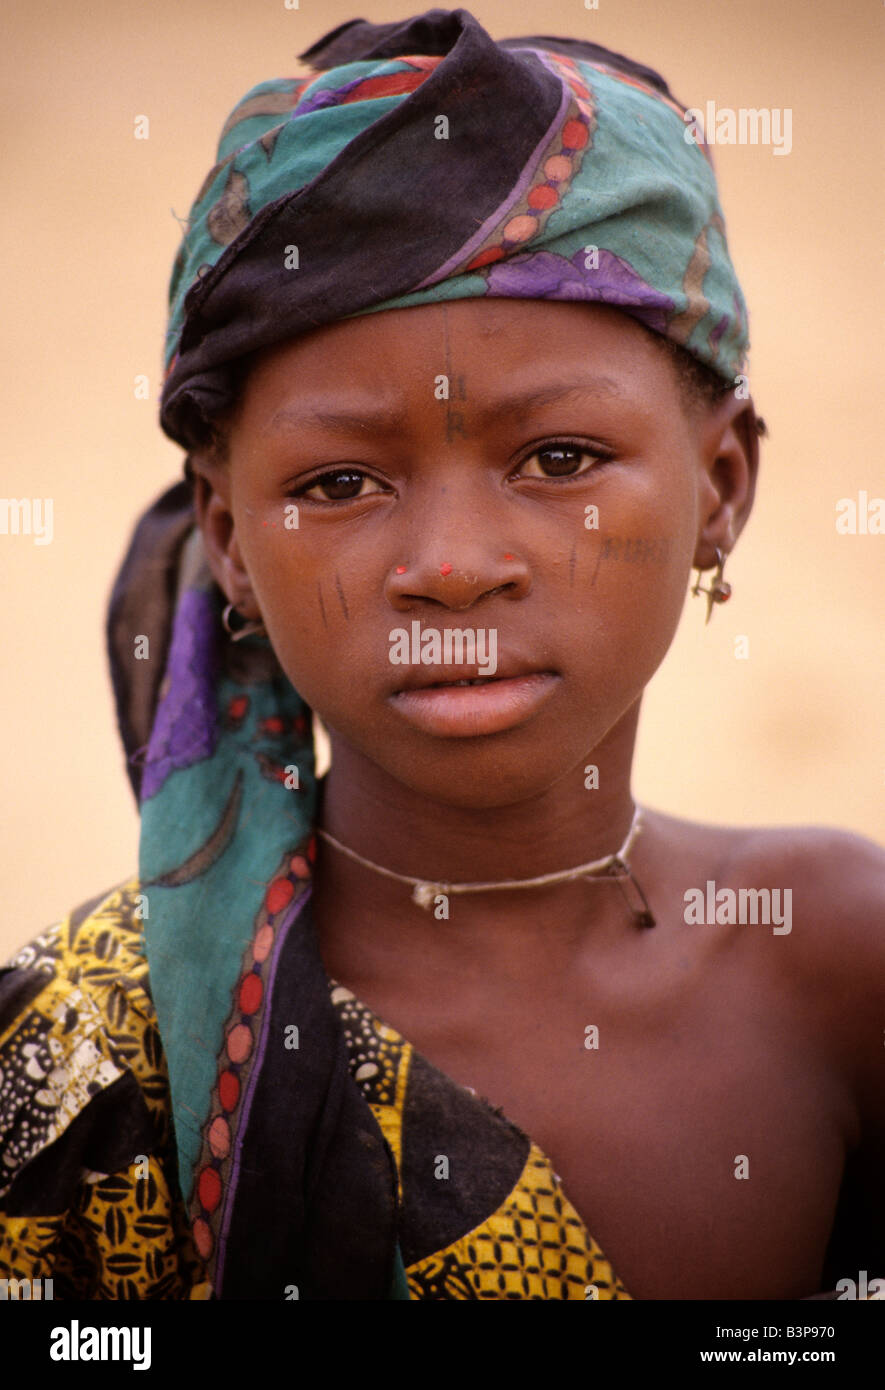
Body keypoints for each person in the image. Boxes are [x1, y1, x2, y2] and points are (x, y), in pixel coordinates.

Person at [1, 8, 882, 1302]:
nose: (454, 562)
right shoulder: (84, 1064)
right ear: (232, 535)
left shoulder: (841, 967)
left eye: (559, 459)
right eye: (343, 479)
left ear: (722, 483)